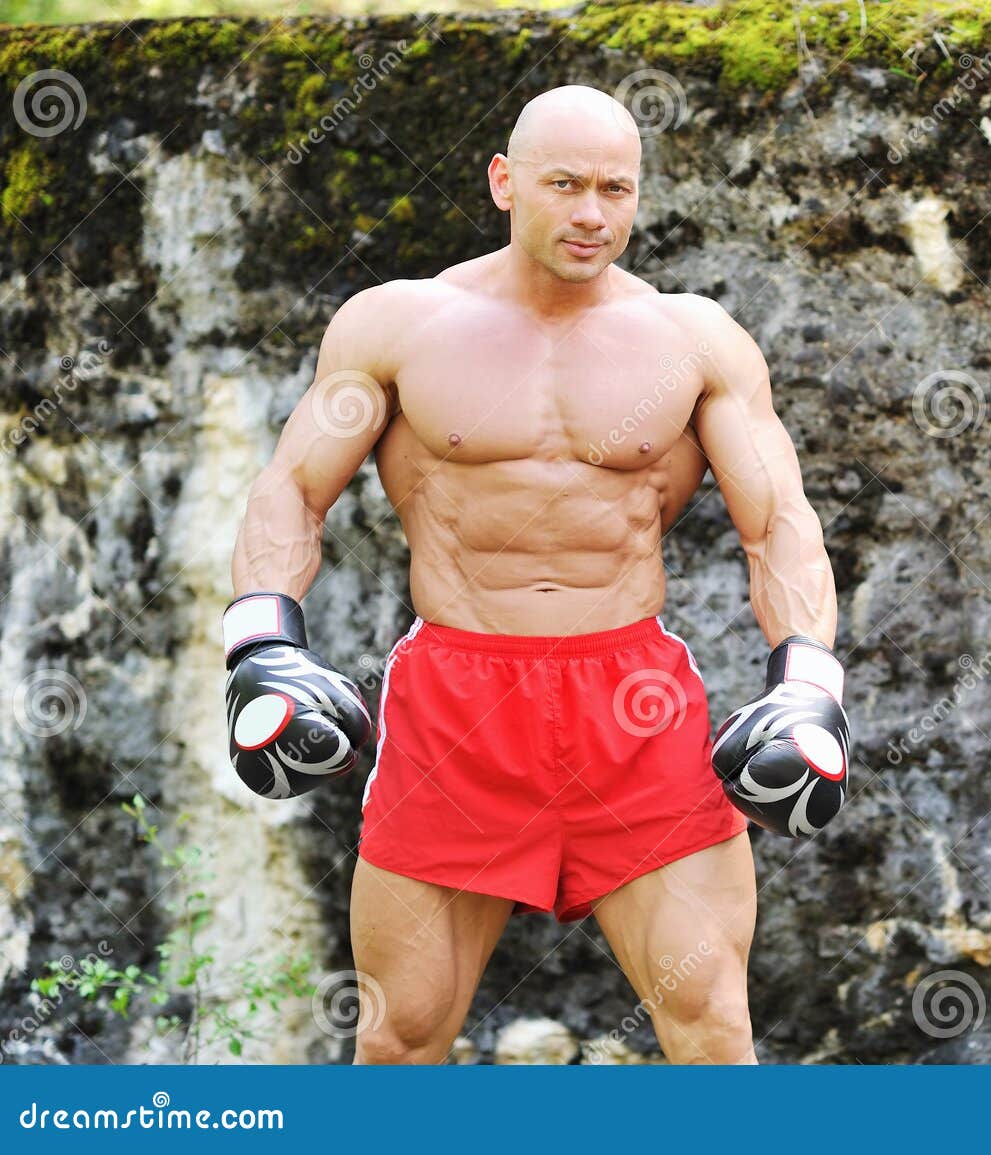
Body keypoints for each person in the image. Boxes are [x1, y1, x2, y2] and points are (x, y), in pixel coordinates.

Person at [220, 85, 851, 1065]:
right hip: (455, 707)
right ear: (504, 182)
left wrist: (809, 684)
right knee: (401, 1032)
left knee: (712, 1025)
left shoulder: (695, 341)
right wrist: (262, 644)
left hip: (634, 706)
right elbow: (292, 491)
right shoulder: (397, 327)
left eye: (616, 189)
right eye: (565, 184)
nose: (593, 214)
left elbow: (778, 524)